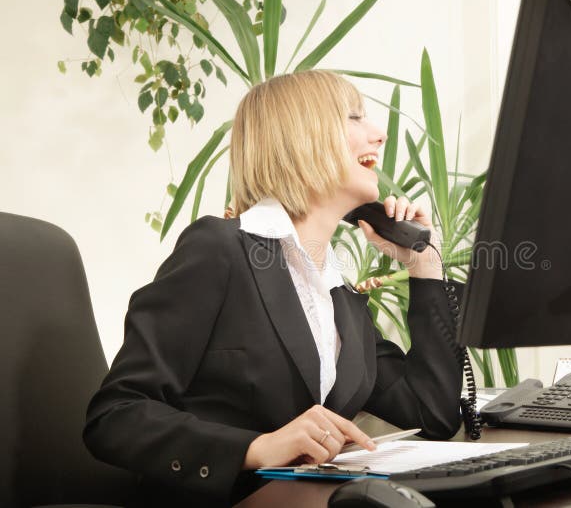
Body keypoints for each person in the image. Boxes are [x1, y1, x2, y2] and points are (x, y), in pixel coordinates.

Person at [83, 70, 464, 507]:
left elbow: (433, 413)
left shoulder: (339, 295)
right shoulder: (220, 248)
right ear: (301, 136)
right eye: (355, 117)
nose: (379, 134)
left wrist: (424, 264)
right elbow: (115, 415)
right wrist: (256, 448)